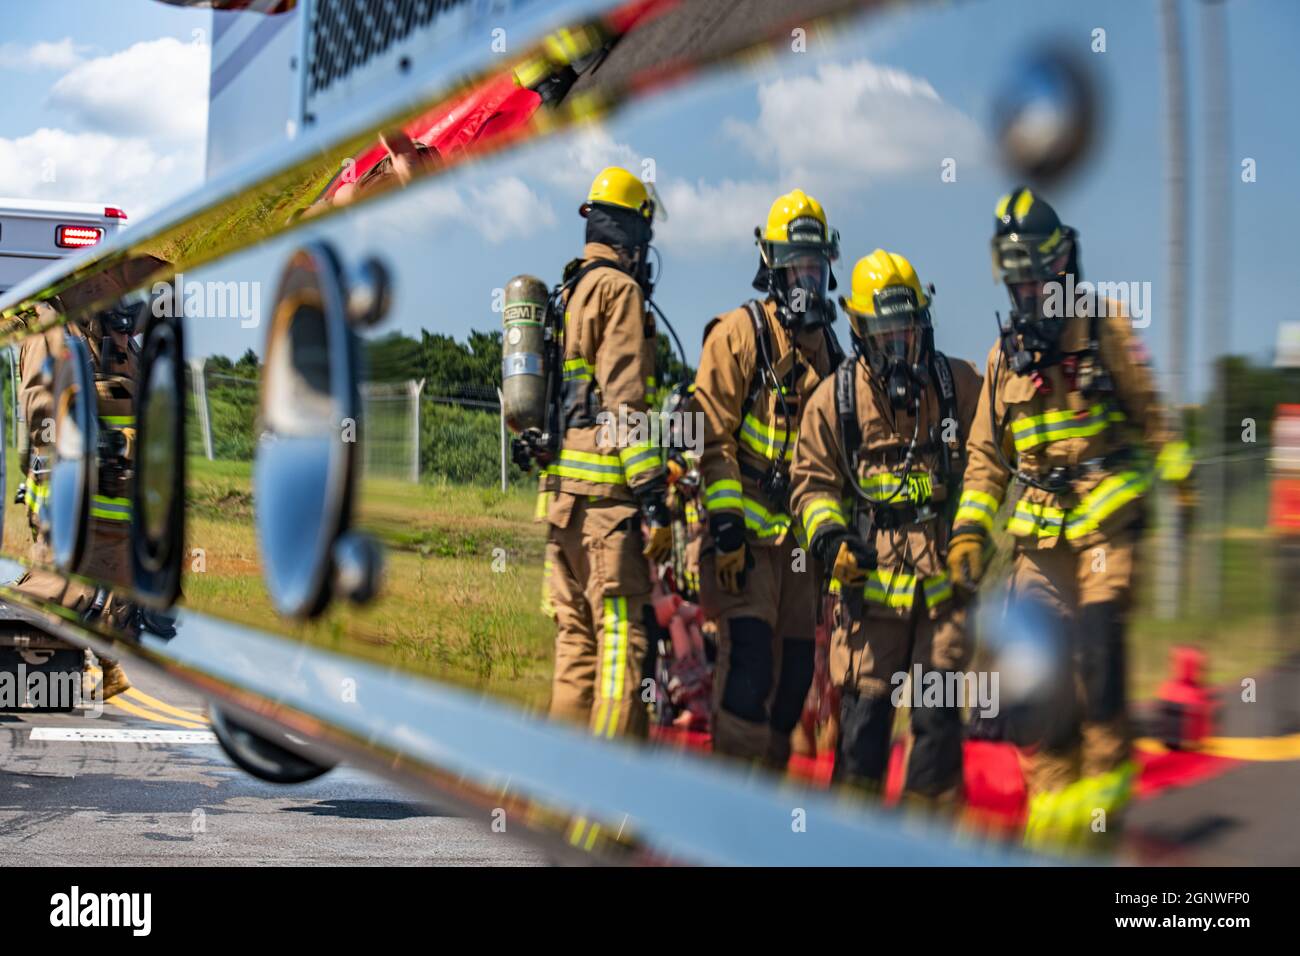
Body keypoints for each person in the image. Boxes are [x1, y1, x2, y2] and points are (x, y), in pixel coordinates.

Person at [949, 187, 1192, 848]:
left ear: (1061, 267)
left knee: (1096, 659)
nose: (1027, 292)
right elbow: (983, 459)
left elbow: (1153, 417)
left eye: (1036, 275)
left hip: (1108, 530)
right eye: (1016, 279)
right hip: (1040, 538)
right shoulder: (1003, 361)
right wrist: (970, 529)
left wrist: (1181, 479)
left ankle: (1101, 816)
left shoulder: (1106, 328)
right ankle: (1053, 817)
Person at [790, 250, 981, 803]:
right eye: (886, 335)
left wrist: (974, 527)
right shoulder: (837, 400)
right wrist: (830, 540)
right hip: (869, 602)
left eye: (909, 331)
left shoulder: (956, 385)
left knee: (937, 730)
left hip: (943, 595)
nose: (901, 348)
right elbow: (811, 484)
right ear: (858, 330)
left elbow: (993, 457)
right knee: (862, 738)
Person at [693, 189, 843, 768]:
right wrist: (727, 526)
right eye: (795, 265)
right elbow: (710, 434)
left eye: (815, 264)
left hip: (800, 551)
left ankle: (774, 803)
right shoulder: (737, 334)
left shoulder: (830, 351)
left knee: (795, 679)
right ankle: (732, 802)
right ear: (771, 267)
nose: (807, 276)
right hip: (747, 544)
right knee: (750, 665)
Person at [543, 166, 672, 739]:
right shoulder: (618, 290)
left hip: (561, 509)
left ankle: (555, 807)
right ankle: (605, 823)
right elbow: (625, 402)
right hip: (606, 516)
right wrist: (653, 498)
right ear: (631, 234)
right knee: (623, 655)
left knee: (576, 654)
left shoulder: (568, 291)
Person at [16, 296, 144, 700]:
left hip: (95, 490)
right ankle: (105, 660)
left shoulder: (82, 333)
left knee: (62, 581)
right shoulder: (60, 331)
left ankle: (94, 658)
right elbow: (42, 412)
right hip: (87, 486)